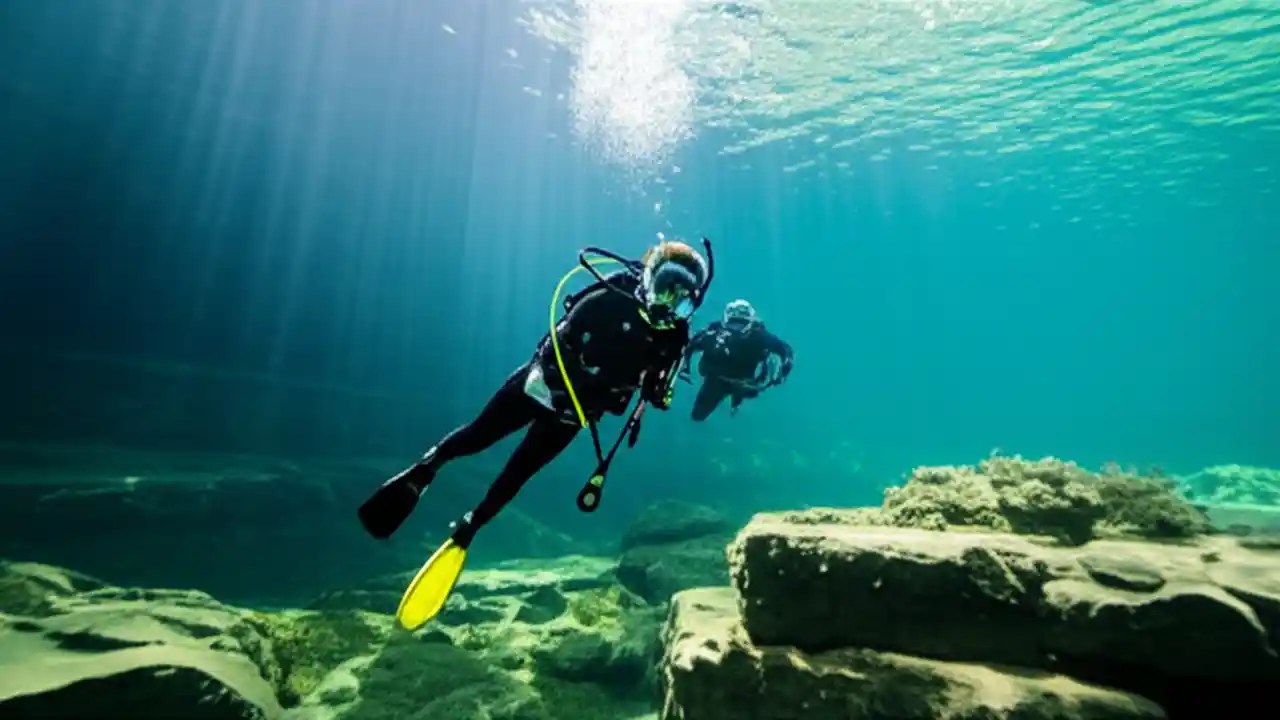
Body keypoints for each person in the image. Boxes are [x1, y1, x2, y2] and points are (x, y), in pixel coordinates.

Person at [357, 237, 715, 629]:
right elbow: (554, 345)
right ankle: (429, 467)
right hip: (540, 388)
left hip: (575, 414)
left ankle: (469, 528)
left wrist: (656, 392)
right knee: (478, 437)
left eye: (683, 299)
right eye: (665, 287)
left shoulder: (676, 336)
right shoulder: (607, 298)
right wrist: (562, 392)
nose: (669, 305)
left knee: (518, 475)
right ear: (648, 277)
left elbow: (658, 389)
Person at [680, 299, 793, 421]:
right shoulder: (714, 330)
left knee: (702, 414)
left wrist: (782, 373)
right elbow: (690, 344)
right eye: (733, 323)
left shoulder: (760, 336)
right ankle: (735, 408)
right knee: (698, 415)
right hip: (719, 380)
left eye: (741, 324)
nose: (736, 329)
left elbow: (785, 350)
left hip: (740, 382)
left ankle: (736, 408)